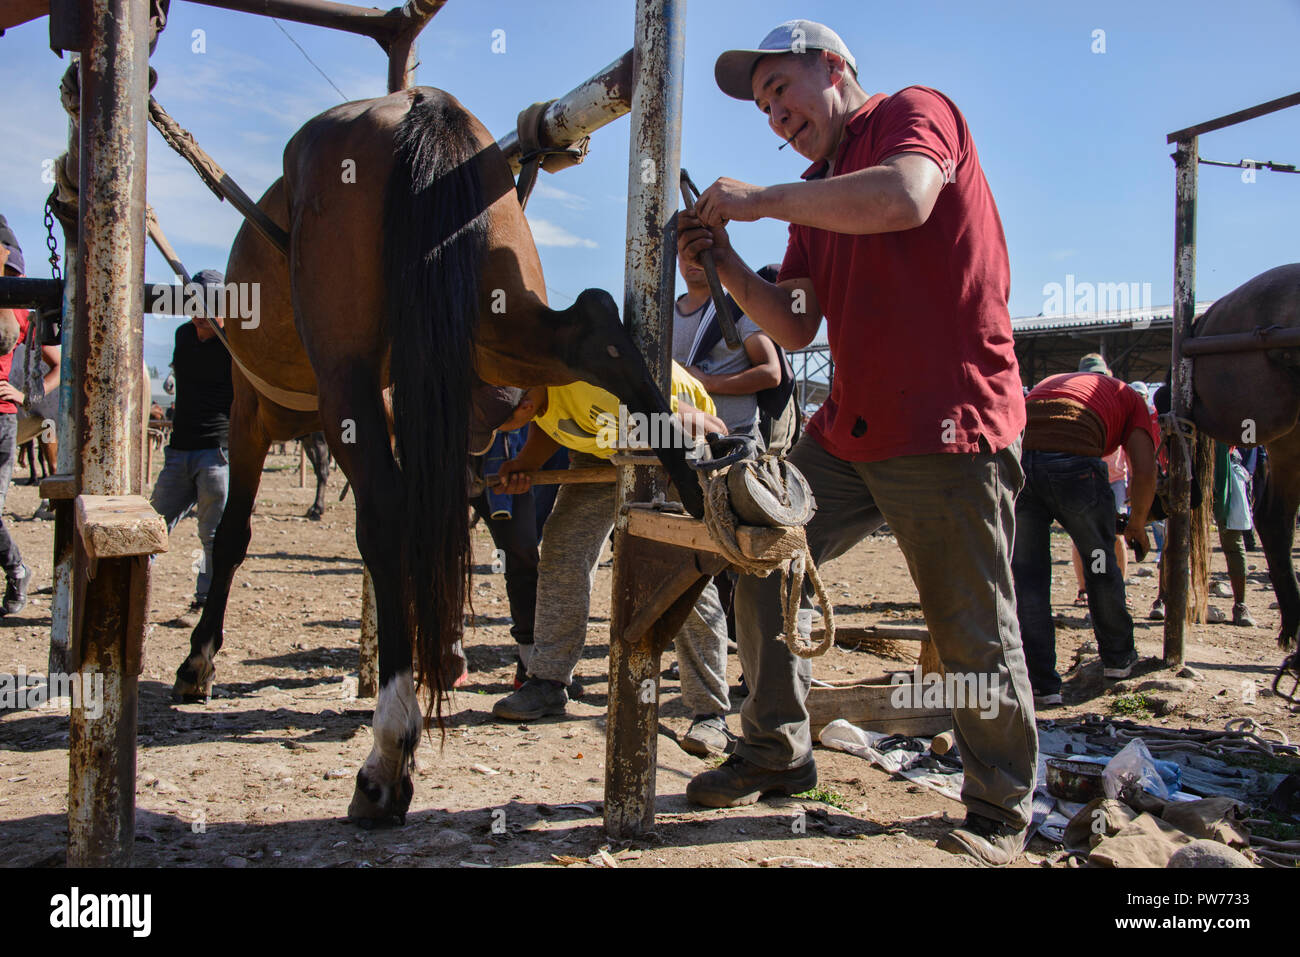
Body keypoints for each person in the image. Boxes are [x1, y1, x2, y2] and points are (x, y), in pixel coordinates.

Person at [679, 20, 1038, 865]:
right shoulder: (817, 186)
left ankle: (999, 807)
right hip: (850, 430)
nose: (774, 114)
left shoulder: (915, 113)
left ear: (834, 68)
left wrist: (759, 199)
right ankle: (776, 747)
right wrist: (728, 261)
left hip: (947, 426)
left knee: (967, 622)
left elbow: (907, 197)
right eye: (763, 105)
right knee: (764, 548)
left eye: (781, 90)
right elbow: (797, 324)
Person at [490, 362, 738, 756]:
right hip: (606, 442)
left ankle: (710, 713)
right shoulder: (537, 382)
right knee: (562, 550)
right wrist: (525, 464)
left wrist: (696, 469)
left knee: (685, 573)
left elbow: (704, 424)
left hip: (671, 444)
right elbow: (555, 420)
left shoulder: (596, 385)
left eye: (501, 429)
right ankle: (548, 681)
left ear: (521, 405)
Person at [1014, 361, 1158, 709]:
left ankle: (1042, 685)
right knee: (1098, 565)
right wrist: (1137, 523)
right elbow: (1145, 467)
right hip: (1074, 466)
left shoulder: (1052, 380)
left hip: (1020, 464)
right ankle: (1118, 660)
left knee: (1028, 580)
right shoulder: (1128, 397)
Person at [150, 269, 233, 627]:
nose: (200, 311)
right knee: (152, 526)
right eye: (194, 301)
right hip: (178, 450)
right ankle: (133, 594)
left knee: (212, 536)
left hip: (216, 452)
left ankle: (206, 606)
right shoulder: (182, 336)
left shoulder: (235, 342)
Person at [672, 255, 797, 454]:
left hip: (734, 442)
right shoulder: (663, 317)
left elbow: (771, 373)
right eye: (684, 255)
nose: (691, 261)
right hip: (680, 444)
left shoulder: (739, 310)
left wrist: (708, 382)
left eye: (698, 253)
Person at [0, 215, 42, 614]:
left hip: (3, 417)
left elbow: (56, 361)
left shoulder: (21, 311)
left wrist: (25, 395)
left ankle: (17, 570)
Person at [1212, 441, 1255, 627]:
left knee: (1234, 545)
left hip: (1229, 470)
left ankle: (1240, 605)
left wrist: (1248, 469)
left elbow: (1252, 439)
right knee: (1175, 540)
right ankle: (1164, 598)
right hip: (1190, 465)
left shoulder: (1243, 416)